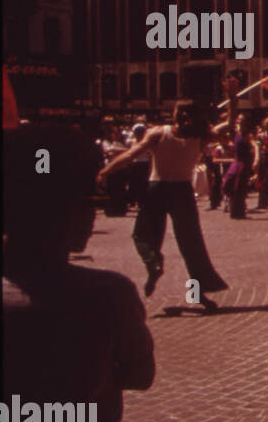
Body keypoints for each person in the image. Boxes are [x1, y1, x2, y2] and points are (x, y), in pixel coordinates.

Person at [3, 125, 156, 422]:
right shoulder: (108, 295)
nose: (93, 212)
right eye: (84, 200)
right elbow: (139, 374)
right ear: (60, 214)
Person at [97, 95, 230, 309]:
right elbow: (229, 125)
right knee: (191, 246)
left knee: (143, 234)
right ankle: (197, 294)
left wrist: (105, 171)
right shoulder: (200, 135)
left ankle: (154, 263)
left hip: (157, 188)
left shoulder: (160, 133)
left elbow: (131, 155)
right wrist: (232, 98)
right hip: (181, 191)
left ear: (176, 114)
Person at [217, 93, 255, 220]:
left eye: (242, 120)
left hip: (244, 162)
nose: (240, 121)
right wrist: (232, 101)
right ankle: (234, 209)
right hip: (236, 161)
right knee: (230, 184)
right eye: (239, 120)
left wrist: (254, 161)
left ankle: (239, 211)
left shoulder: (247, 134)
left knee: (240, 187)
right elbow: (230, 120)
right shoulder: (236, 132)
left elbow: (253, 146)